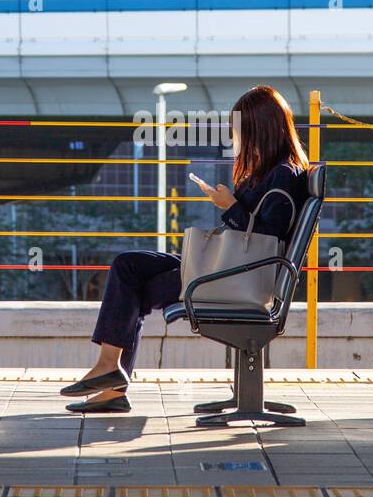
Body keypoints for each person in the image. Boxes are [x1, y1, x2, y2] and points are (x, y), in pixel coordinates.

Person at [59, 85, 310, 415]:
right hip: (227, 269)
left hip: (237, 278)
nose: (238, 138)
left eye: (242, 131)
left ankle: (111, 383)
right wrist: (231, 204)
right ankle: (110, 373)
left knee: (136, 288)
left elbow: (267, 240)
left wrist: (231, 205)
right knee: (127, 265)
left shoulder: (282, 176)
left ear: (260, 129)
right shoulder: (269, 172)